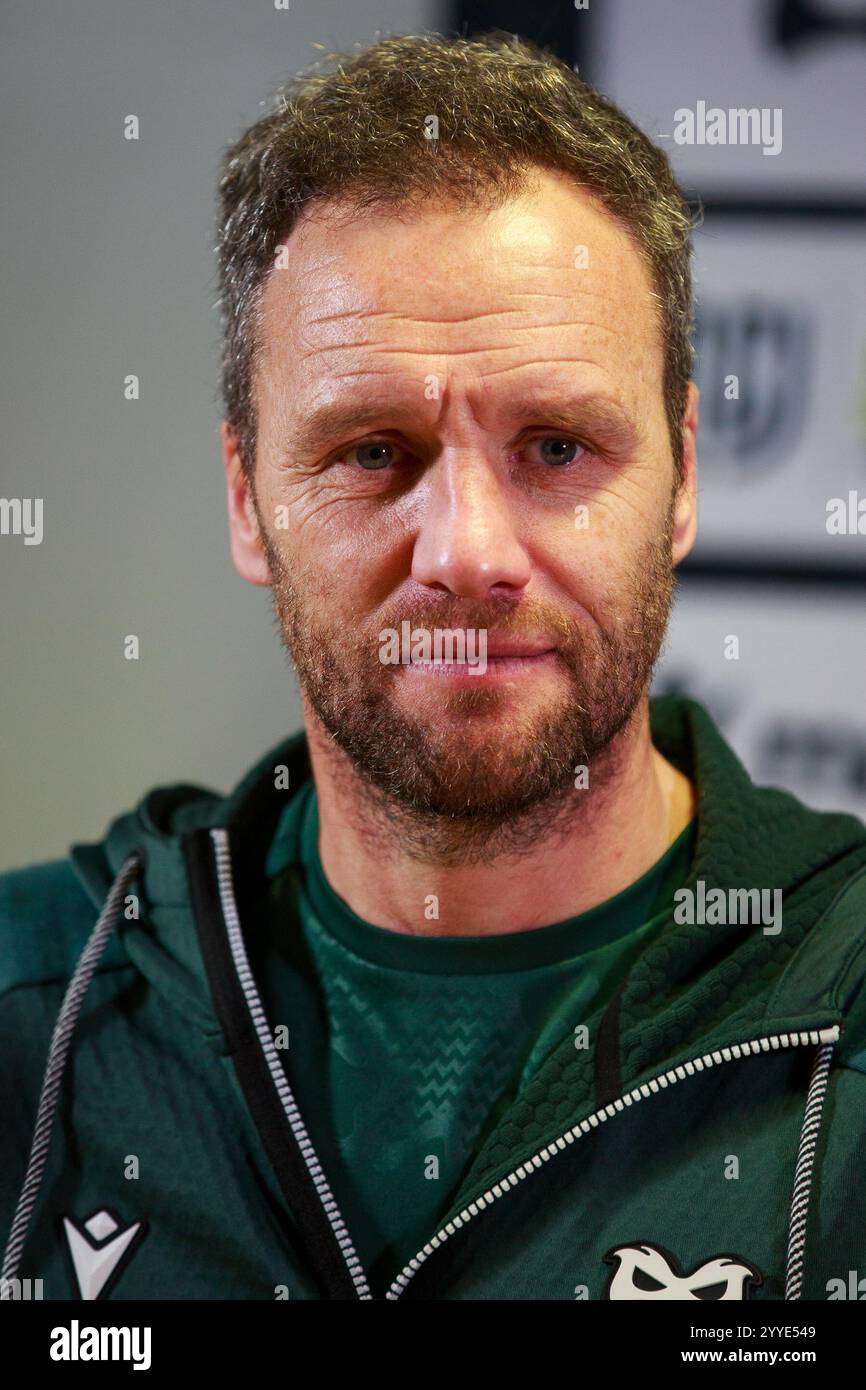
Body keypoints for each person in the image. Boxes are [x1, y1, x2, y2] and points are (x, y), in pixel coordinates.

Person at [2, 32, 865, 1304]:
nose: (467, 551)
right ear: (246, 497)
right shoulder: (35, 1003)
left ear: (683, 474)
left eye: (558, 446)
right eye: (371, 450)